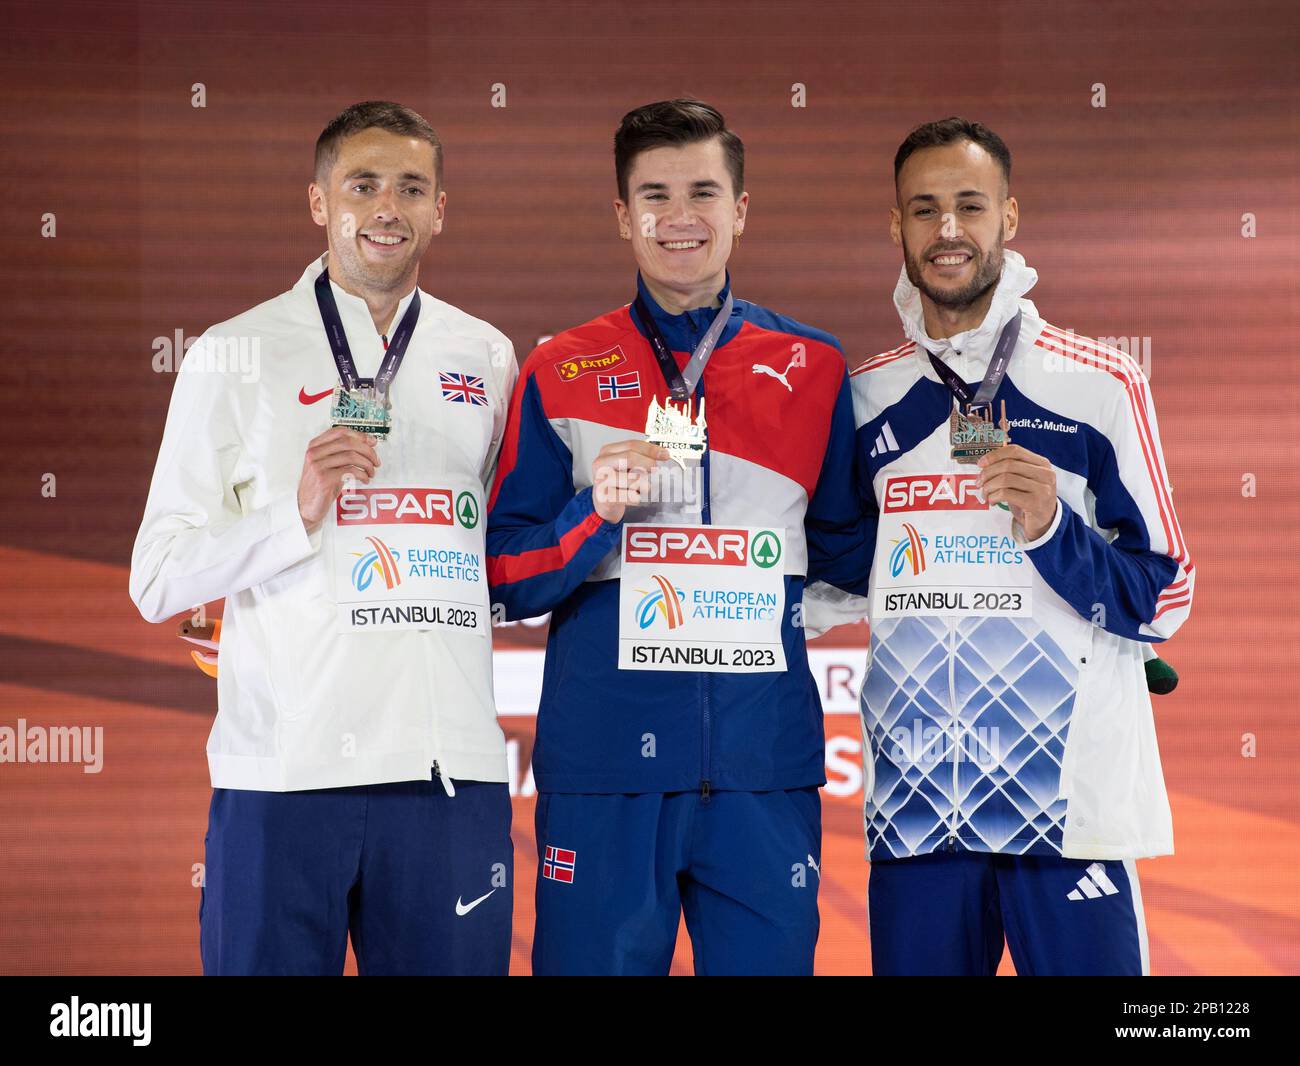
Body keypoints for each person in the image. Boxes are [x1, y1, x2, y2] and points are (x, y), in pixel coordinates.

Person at [129, 101, 517, 975]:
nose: (388, 207)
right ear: (319, 202)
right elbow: (157, 578)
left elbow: (501, 551)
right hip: (282, 775)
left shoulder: (486, 355)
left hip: (446, 775)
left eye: (412, 187)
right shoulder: (235, 353)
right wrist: (290, 513)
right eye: (364, 184)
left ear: (441, 209)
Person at [485, 99, 868, 975]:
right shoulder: (560, 367)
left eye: (704, 191)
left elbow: (849, 553)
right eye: (654, 195)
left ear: (741, 209)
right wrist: (594, 513)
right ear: (623, 216)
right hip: (606, 770)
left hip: (760, 765)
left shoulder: (813, 366)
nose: (680, 217)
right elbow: (505, 575)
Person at [849, 117, 1194, 975]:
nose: (948, 230)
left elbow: (1170, 595)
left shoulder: (1100, 383)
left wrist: (1051, 532)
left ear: (1010, 216)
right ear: (897, 228)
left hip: (1067, 807)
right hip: (919, 807)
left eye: (971, 205)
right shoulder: (865, 398)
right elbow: (832, 575)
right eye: (924, 210)